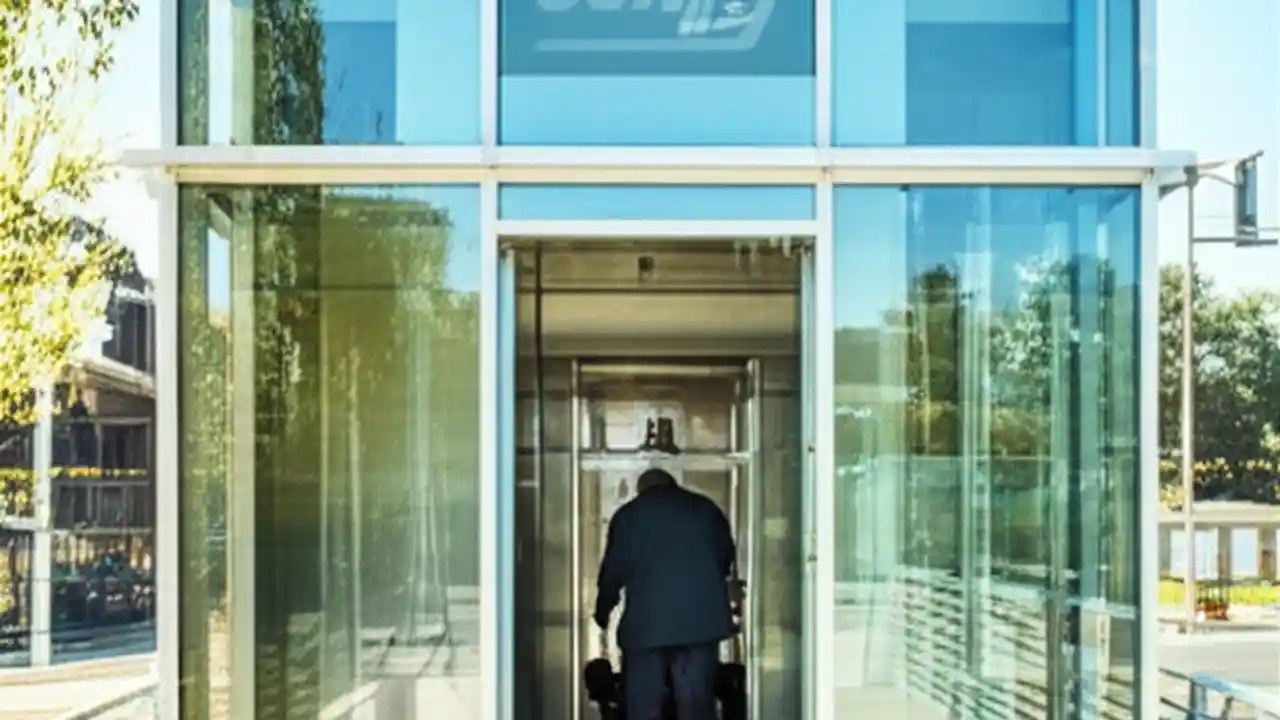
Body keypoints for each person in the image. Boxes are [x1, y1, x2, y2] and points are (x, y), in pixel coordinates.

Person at [594, 468, 737, 720]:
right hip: (699, 626)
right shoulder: (705, 510)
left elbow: (614, 570)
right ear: (674, 486)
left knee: (644, 707)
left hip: (646, 627)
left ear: (642, 490)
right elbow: (725, 558)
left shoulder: (629, 516)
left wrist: (603, 610)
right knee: (697, 707)